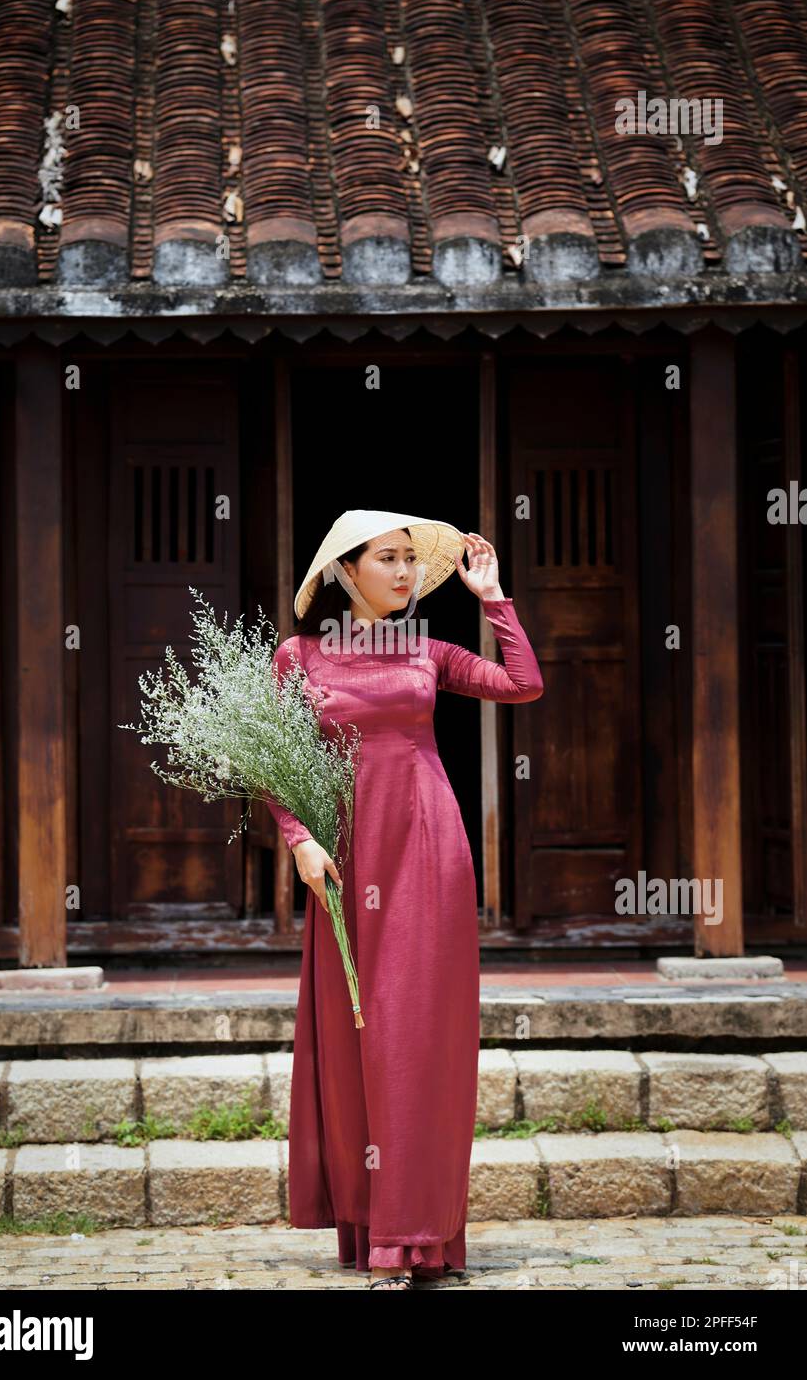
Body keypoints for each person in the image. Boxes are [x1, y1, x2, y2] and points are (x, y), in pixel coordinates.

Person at [265, 510, 544, 1289]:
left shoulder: (427, 648)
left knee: (418, 1034)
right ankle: (373, 1225)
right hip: (346, 857)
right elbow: (271, 761)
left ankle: (420, 1235)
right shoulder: (301, 655)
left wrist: (492, 599)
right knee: (359, 1035)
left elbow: (522, 684)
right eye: (386, 559)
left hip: (426, 848)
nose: (403, 573)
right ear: (344, 572)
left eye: (408, 562)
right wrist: (297, 838)